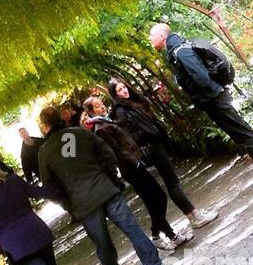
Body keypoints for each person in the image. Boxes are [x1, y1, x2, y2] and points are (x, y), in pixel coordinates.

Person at [34, 104, 169, 265]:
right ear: (60, 119)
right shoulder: (79, 133)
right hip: (106, 190)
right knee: (134, 231)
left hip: (82, 204)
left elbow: (50, 188)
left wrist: (68, 205)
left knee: (103, 245)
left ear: (45, 126)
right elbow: (108, 153)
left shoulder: (44, 152)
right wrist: (109, 176)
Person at [149, 23, 253, 181]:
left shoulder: (180, 52)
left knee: (244, 135)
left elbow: (202, 78)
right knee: (244, 133)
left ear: (162, 36)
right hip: (215, 97)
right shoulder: (178, 49)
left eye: (152, 35)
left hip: (214, 99)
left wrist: (197, 95)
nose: (150, 39)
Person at [79, 97, 188, 252]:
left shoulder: (106, 120)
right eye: (97, 106)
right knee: (159, 197)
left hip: (135, 162)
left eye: (101, 103)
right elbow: (116, 150)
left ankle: (171, 235)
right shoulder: (100, 127)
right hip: (131, 167)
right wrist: (135, 161)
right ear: (91, 111)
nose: (102, 106)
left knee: (153, 201)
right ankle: (156, 234)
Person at [107, 77, 217, 229]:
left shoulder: (132, 103)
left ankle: (192, 214)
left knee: (173, 182)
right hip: (150, 148)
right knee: (172, 183)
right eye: (119, 90)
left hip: (156, 145)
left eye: (124, 87)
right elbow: (128, 137)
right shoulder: (121, 111)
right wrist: (147, 134)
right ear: (115, 94)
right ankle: (194, 216)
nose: (124, 91)